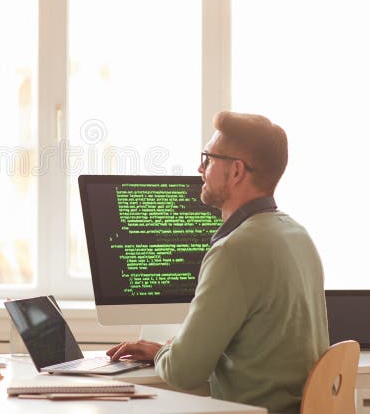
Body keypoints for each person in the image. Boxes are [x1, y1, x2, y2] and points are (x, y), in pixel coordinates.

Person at [107, 111, 329, 414]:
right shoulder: (297, 234)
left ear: (236, 171)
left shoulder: (234, 250)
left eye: (208, 159)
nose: (200, 168)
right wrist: (173, 350)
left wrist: (163, 354)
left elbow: (184, 374)